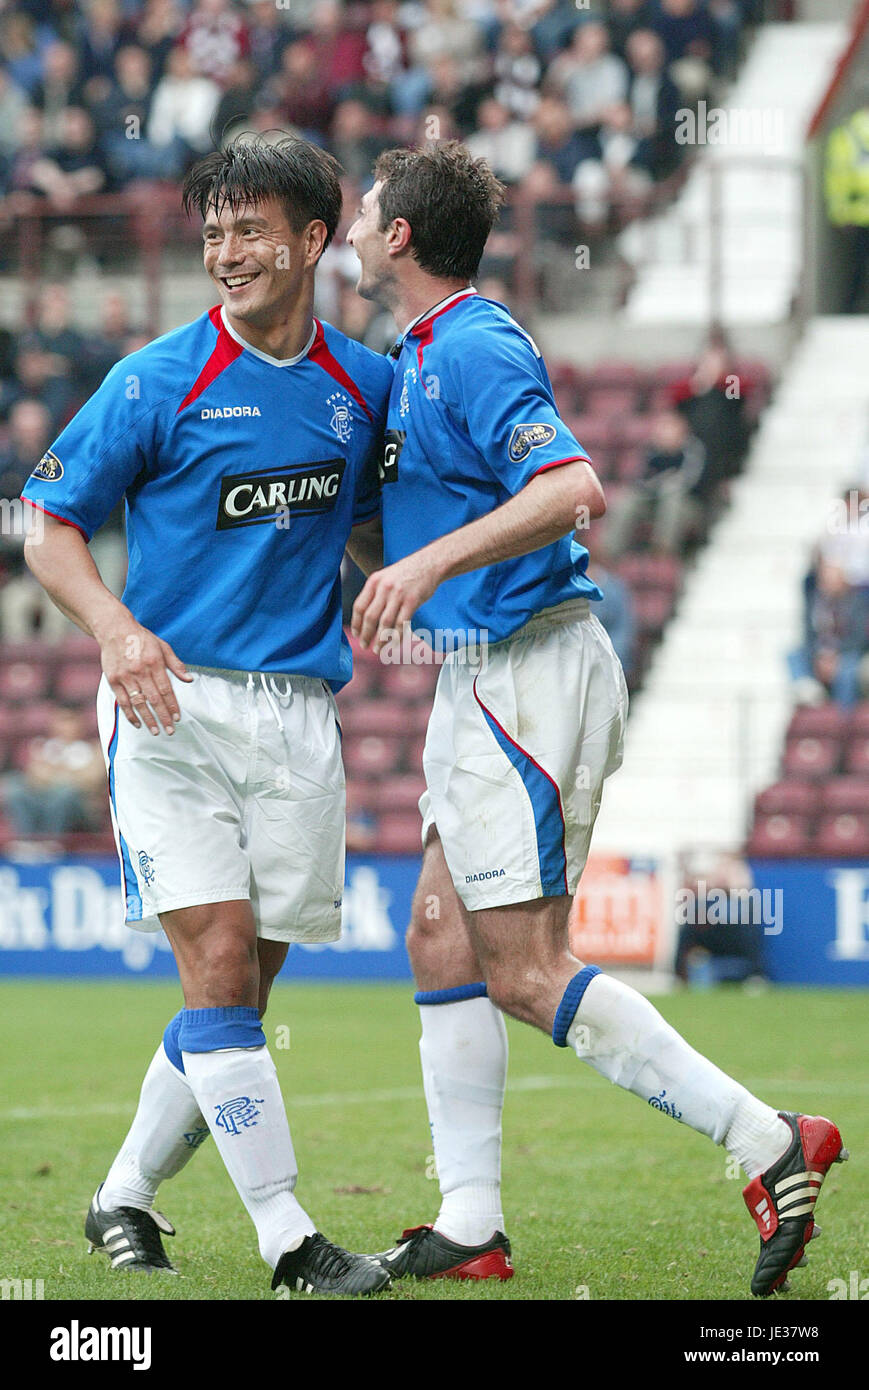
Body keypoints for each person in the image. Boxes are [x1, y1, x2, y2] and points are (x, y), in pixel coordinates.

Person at [345, 140, 847, 1297]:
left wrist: (420, 565)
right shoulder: (410, 352)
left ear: (403, 237)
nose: (357, 226)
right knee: (435, 929)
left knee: (522, 971)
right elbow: (416, 527)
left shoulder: (469, 342)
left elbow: (573, 488)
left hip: (529, 670)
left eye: (368, 211)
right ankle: (469, 1222)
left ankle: (766, 1137)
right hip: (476, 673)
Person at [21, 134, 393, 1298]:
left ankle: (121, 1194)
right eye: (214, 230)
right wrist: (118, 631)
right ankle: (290, 1240)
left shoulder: (363, 390)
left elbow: (381, 535)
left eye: (250, 229)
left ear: (313, 240)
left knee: (240, 989)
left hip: (297, 717)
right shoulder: (155, 378)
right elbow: (45, 523)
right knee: (220, 959)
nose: (225, 252)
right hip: (168, 704)